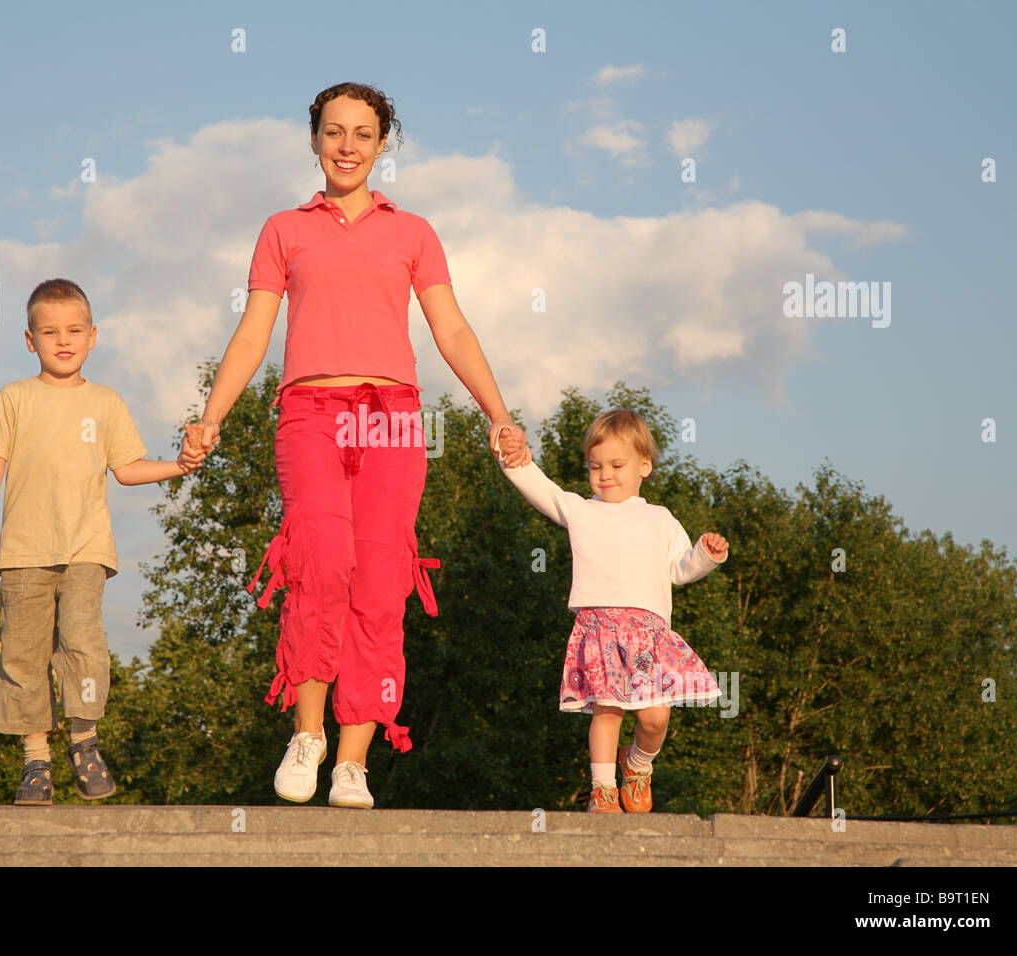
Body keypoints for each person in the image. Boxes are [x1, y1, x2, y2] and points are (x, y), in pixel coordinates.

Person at [188, 82, 529, 810]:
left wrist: (498, 413)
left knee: (379, 581)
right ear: (315, 140)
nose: (347, 146)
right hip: (309, 411)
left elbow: (453, 329)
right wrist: (210, 416)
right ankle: (307, 734)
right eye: (334, 132)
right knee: (320, 564)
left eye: (363, 134)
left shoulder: (412, 234)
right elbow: (254, 332)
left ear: (382, 145)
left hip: (392, 418)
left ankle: (352, 761)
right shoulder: (284, 229)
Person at [0, 278, 205, 806]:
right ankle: (36, 762)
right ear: (31, 340)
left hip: (86, 549)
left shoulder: (105, 401)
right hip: (24, 550)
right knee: (24, 655)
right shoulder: (14, 397)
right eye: (50, 332)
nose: (63, 340)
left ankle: (84, 741)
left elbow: (126, 468)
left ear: (93, 336)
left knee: (82, 641)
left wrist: (179, 465)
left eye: (74, 330)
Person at [496, 409, 729, 812]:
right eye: (595, 466)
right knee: (607, 711)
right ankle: (602, 791)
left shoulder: (660, 518)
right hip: (599, 628)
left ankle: (637, 764)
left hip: (648, 634)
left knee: (655, 718)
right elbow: (540, 487)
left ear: (644, 466)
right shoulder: (581, 510)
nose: (605, 474)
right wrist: (513, 458)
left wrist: (705, 556)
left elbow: (680, 568)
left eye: (617, 465)